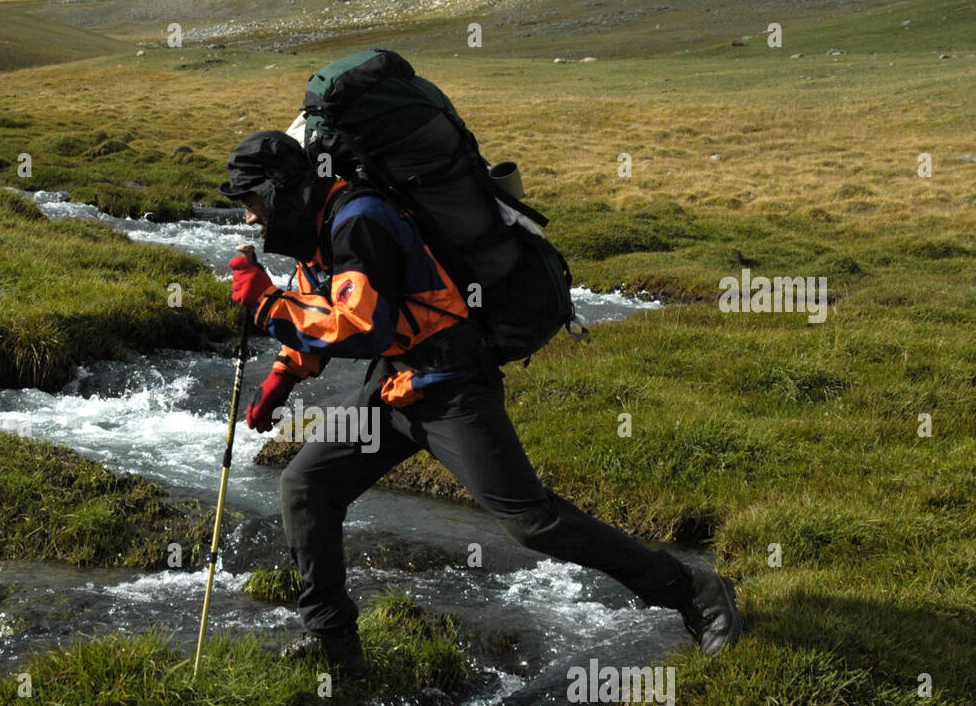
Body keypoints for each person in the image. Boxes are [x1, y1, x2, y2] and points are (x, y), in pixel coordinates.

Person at [219, 130, 741, 676]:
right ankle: (332, 640)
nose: (249, 219)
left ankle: (694, 591)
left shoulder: (359, 220)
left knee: (533, 523)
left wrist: (265, 305)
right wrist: (284, 375)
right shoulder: (322, 229)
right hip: (395, 387)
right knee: (307, 486)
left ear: (280, 190)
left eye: (251, 203)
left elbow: (362, 326)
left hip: (451, 387)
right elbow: (322, 301)